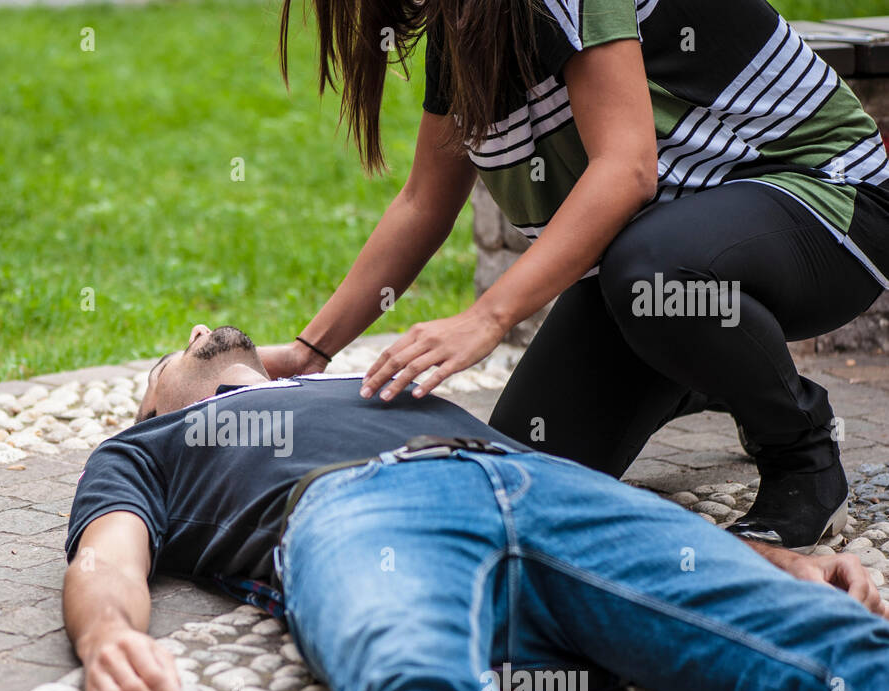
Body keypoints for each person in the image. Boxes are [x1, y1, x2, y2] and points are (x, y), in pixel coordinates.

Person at [62, 324, 889, 691]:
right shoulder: (147, 445)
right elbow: (107, 557)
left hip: (538, 484)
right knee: (411, 676)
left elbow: (636, 527)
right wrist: (108, 638)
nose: (202, 330)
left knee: (809, 632)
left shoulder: (370, 382)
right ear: (149, 407)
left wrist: (770, 561)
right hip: (362, 514)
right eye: (179, 348)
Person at [260, 0, 889, 551]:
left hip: (829, 201)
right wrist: (309, 350)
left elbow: (627, 169)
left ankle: (800, 453)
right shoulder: (468, 27)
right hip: (668, 257)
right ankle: (710, 369)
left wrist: (487, 317)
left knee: (652, 277)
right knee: (514, 478)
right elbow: (423, 202)